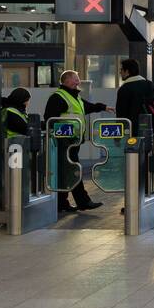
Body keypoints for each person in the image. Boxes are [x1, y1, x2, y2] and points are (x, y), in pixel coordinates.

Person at [44, 69, 110, 213]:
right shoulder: (58, 97)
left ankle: (62, 203)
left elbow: (88, 107)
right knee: (74, 169)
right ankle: (83, 201)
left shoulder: (75, 97)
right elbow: (50, 119)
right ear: (67, 80)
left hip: (73, 141)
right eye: (75, 79)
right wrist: (62, 133)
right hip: (64, 141)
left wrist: (103, 107)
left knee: (66, 171)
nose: (78, 81)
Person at [115, 58, 154, 133]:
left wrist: (119, 135)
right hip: (150, 128)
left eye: (121, 69)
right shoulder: (149, 84)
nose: (120, 72)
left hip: (133, 130)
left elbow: (121, 114)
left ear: (127, 71)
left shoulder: (124, 89)